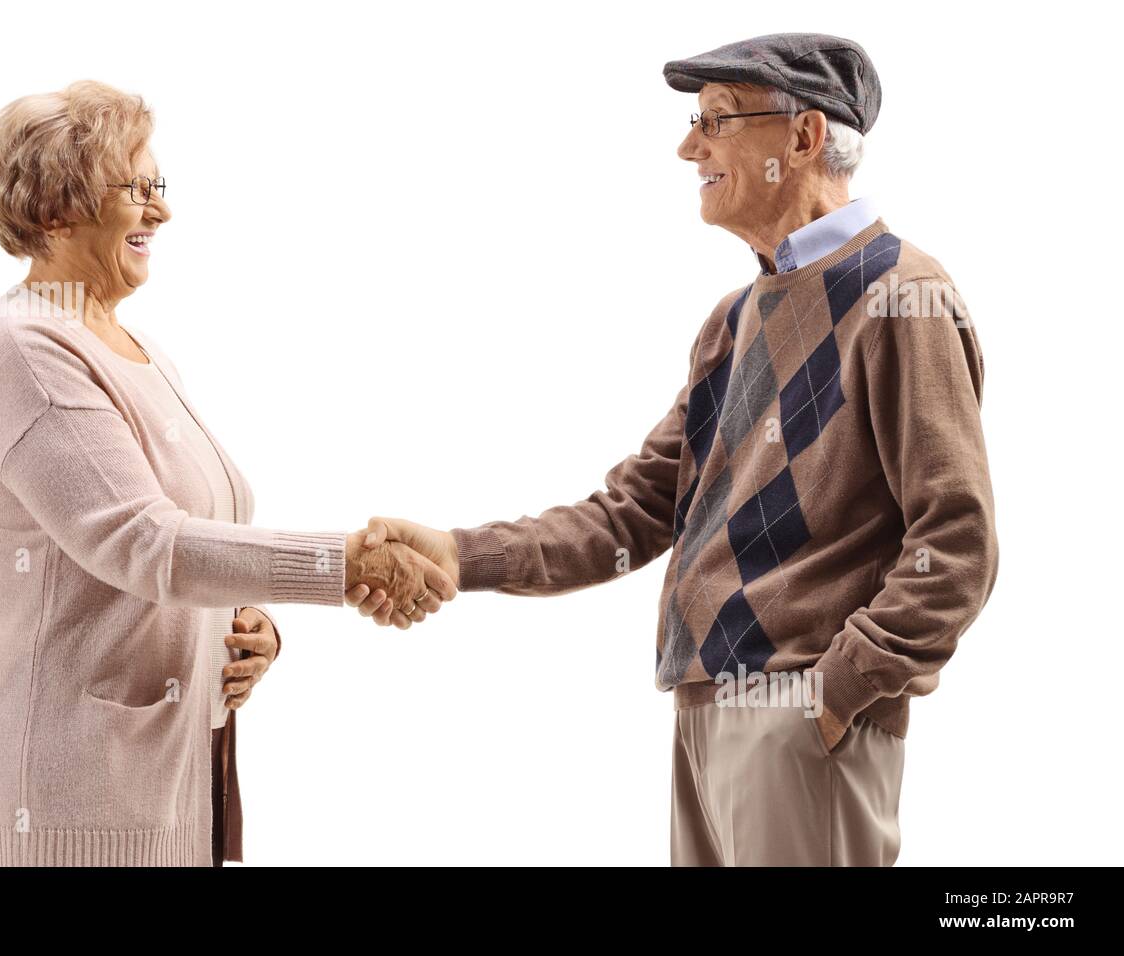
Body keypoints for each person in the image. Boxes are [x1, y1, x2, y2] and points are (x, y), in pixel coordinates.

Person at [350, 33, 998, 866]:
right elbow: (634, 512)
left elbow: (958, 542)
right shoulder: (735, 320)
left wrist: (838, 692)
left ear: (802, 138)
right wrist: (459, 553)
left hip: (799, 720)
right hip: (703, 719)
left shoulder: (902, 294)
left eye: (717, 121)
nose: (689, 146)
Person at [0, 80, 455, 866]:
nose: (161, 210)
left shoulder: (125, 345)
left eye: (160, 187)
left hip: (175, 769)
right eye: (136, 189)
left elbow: (193, 534)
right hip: (71, 790)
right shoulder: (26, 353)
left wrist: (250, 629)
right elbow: (145, 544)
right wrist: (343, 563)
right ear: (55, 209)